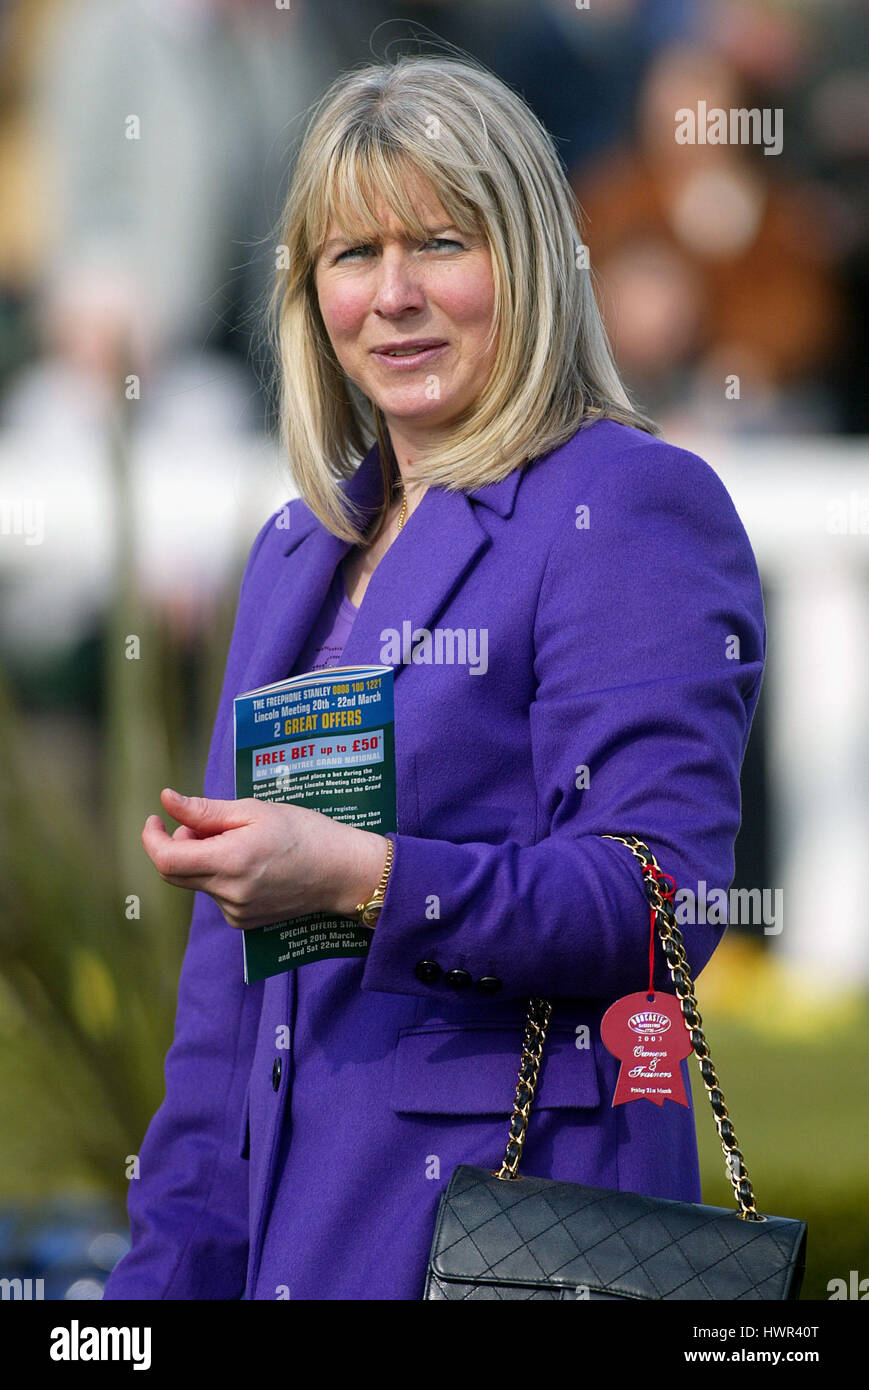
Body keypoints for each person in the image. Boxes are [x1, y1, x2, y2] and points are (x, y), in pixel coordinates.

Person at [102, 54, 766, 1302]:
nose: (393, 296)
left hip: (514, 1240)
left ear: (528, 259)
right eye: (352, 256)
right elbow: (221, 1030)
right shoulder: (298, 548)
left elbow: (661, 902)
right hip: (294, 1246)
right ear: (309, 296)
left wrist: (365, 879)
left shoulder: (623, 504)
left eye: (441, 243)